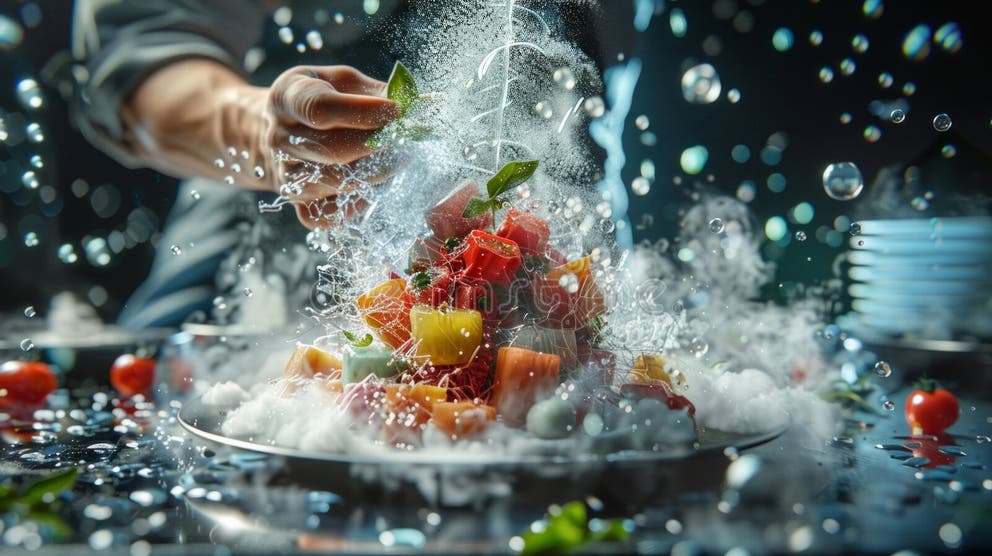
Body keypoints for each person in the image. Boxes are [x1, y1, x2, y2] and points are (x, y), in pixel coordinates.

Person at [69, 0, 639, 330]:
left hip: (559, 220)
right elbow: (142, 55)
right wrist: (266, 134)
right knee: (169, 396)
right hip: (272, 209)